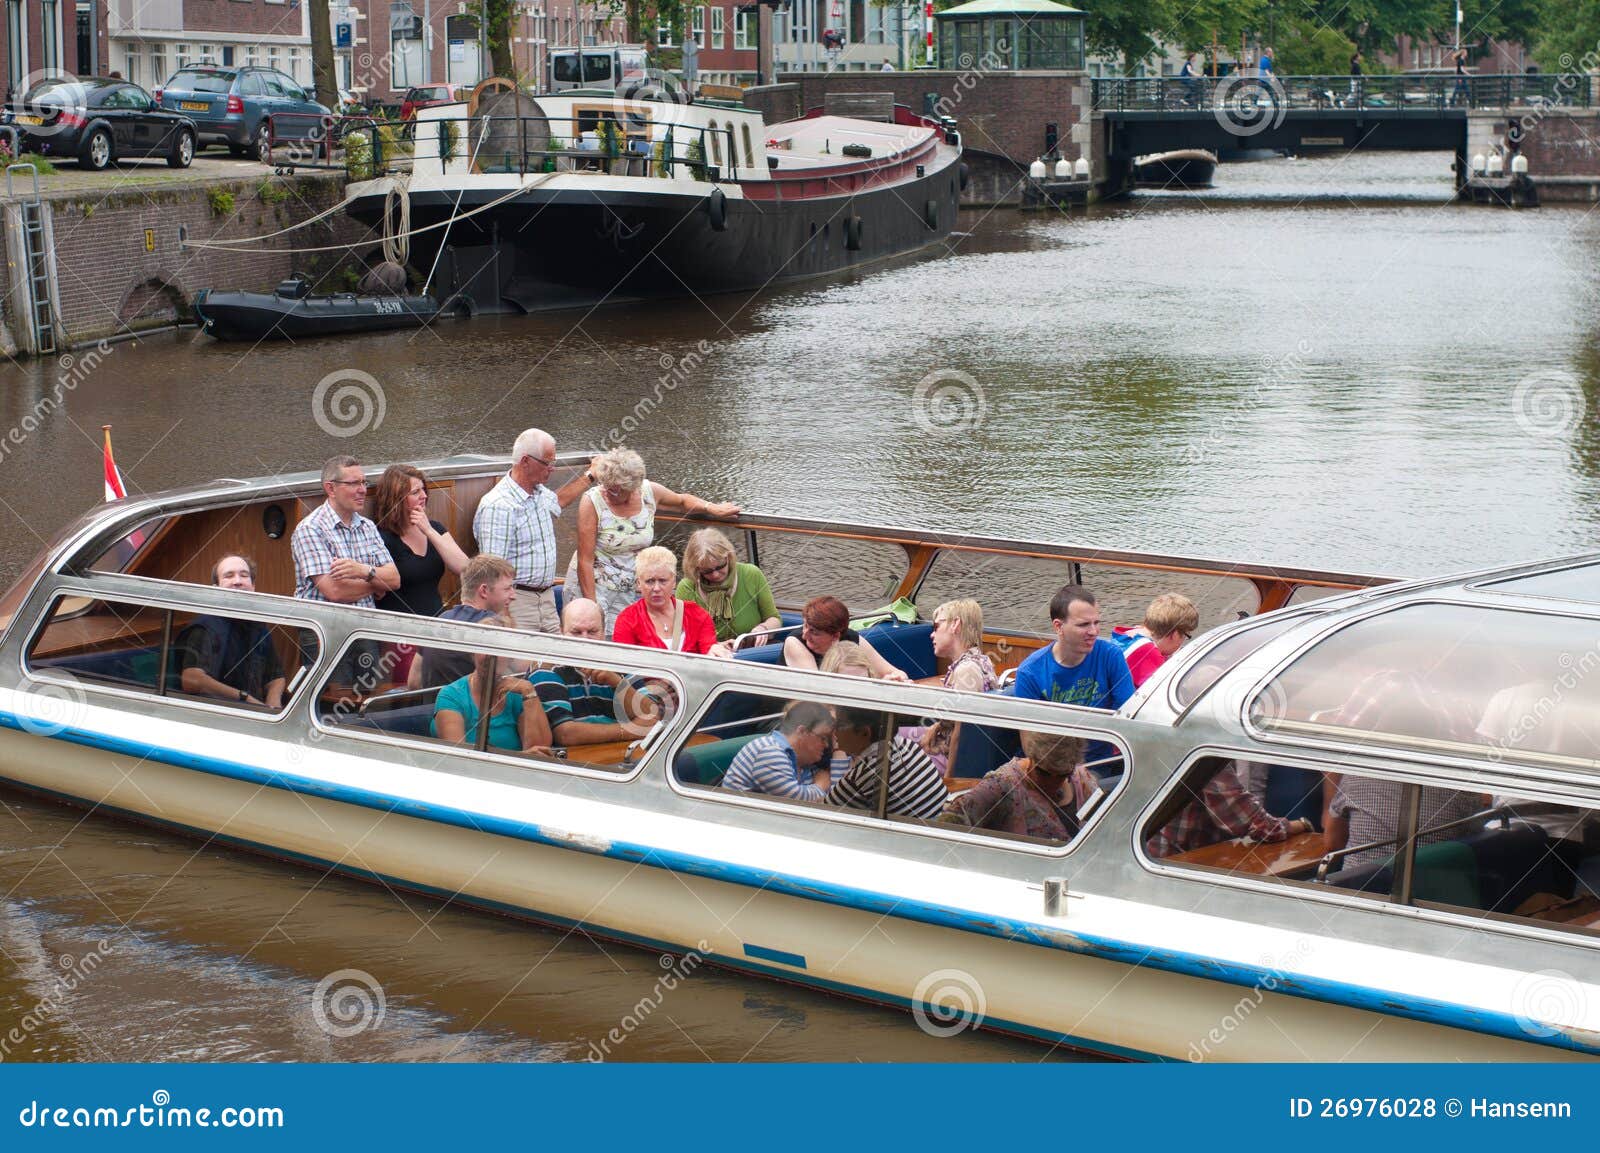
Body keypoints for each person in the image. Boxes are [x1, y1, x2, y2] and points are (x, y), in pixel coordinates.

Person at [565, 448, 739, 633]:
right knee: (592, 637)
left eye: (615, 490)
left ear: (632, 487)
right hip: (594, 584)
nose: (608, 492)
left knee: (622, 641)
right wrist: (592, 606)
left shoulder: (648, 492)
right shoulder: (593, 501)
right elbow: (585, 559)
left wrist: (712, 508)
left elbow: (681, 502)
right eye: (606, 486)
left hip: (628, 587)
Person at [472, 428, 595, 634]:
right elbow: (493, 572)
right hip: (517, 602)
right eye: (547, 463)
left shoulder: (538, 492)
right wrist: (504, 617)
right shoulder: (498, 505)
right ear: (526, 461)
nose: (552, 469)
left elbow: (559, 501)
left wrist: (590, 476)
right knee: (518, 665)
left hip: (545, 600)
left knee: (555, 661)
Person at [530, 597, 662, 746]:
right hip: (574, 765)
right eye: (576, 632)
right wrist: (630, 730)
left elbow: (653, 716)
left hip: (627, 761)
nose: (585, 639)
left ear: (604, 632)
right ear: (561, 632)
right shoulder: (546, 670)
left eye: (592, 631)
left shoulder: (622, 666)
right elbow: (566, 734)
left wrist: (617, 683)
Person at [938, 730, 1093, 842]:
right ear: (1031, 757)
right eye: (1043, 772)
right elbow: (950, 821)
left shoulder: (1081, 778)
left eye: (1061, 775)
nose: (1052, 782)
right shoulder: (1003, 783)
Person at [177, 554, 286, 708]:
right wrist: (244, 698)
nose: (238, 581)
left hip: (257, 713)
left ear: (253, 586)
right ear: (216, 588)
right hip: (218, 715)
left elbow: (276, 675)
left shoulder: (257, 625)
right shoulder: (204, 628)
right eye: (229, 576)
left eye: (244, 575)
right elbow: (191, 680)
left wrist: (273, 704)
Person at [291, 456, 399, 608]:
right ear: (331, 489)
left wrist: (362, 570)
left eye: (363, 482)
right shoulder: (310, 529)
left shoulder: (367, 526)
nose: (362, 490)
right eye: (354, 483)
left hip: (365, 624)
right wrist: (377, 584)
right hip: (324, 626)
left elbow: (394, 579)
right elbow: (335, 591)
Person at [1145, 760, 1313, 858]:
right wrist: (1303, 824)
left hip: (1152, 854)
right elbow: (1261, 827)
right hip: (1177, 864)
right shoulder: (1207, 760)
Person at [431, 626, 554, 754]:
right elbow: (458, 759)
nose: (490, 656)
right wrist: (520, 758)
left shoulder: (517, 692)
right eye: (484, 648)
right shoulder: (451, 696)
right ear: (473, 653)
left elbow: (540, 750)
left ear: (511, 657)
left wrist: (529, 690)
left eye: (499, 649)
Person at [1011, 585, 1133, 710]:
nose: (1094, 631)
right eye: (1084, 624)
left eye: (1096, 623)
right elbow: (1030, 729)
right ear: (1058, 626)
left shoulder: (1111, 656)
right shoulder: (1029, 673)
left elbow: (1127, 714)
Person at [371, 464, 469, 617]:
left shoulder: (435, 528)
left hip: (438, 621)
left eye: (423, 489)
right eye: (416, 492)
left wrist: (428, 531)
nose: (424, 495)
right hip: (401, 629)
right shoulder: (382, 538)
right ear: (396, 499)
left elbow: (465, 568)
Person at [409, 553, 518, 689]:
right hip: (473, 709)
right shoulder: (492, 626)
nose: (514, 595)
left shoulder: (438, 620)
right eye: (507, 588)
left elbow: (413, 682)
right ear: (484, 590)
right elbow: (525, 669)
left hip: (432, 707)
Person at [911, 599, 998, 770]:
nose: (932, 634)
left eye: (936, 627)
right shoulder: (981, 660)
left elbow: (961, 734)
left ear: (955, 625)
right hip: (945, 740)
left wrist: (950, 782)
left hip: (947, 756)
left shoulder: (966, 670)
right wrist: (935, 727)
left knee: (891, 741)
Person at [825, 705, 947, 819]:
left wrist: (836, 752)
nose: (833, 731)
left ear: (864, 732)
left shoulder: (863, 775)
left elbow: (825, 810)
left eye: (839, 725)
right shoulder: (907, 745)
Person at [611, 546, 732, 656]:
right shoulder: (627, 620)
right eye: (649, 581)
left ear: (674, 582)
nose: (656, 588)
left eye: (663, 581)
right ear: (638, 584)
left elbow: (708, 648)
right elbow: (624, 667)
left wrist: (714, 650)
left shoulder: (697, 614)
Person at [676, 527, 781, 645]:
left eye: (720, 566)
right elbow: (682, 635)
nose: (715, 575)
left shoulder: (751, 574)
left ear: (728, 557)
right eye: (707, 571)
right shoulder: (687, 587)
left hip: (752, 651)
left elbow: (775, 619)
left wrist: (763, 629)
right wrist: (715, 646)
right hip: (711, 656)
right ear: (695, 568)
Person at [721, 701, 836, 800]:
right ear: (802, 732)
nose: (826, 745)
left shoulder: (804, 763)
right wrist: (820, 785)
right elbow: (796, 801)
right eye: (823, 738)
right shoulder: (769, 751)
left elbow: (832, 797)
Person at [782, 595, 908, 681]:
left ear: (836, 635)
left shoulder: (850, 638)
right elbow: (818, 691)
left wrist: (897, 679)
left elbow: (893, 672)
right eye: (805, 626)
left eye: (814, 632)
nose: (805, 634)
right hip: (788, 715)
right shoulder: (795, 643)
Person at [1112, 592, 1199, 687]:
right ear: (1175, 634)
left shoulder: (1131, 635)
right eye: (1186, 636)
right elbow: (1162, 690)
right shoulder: (1148, 652)